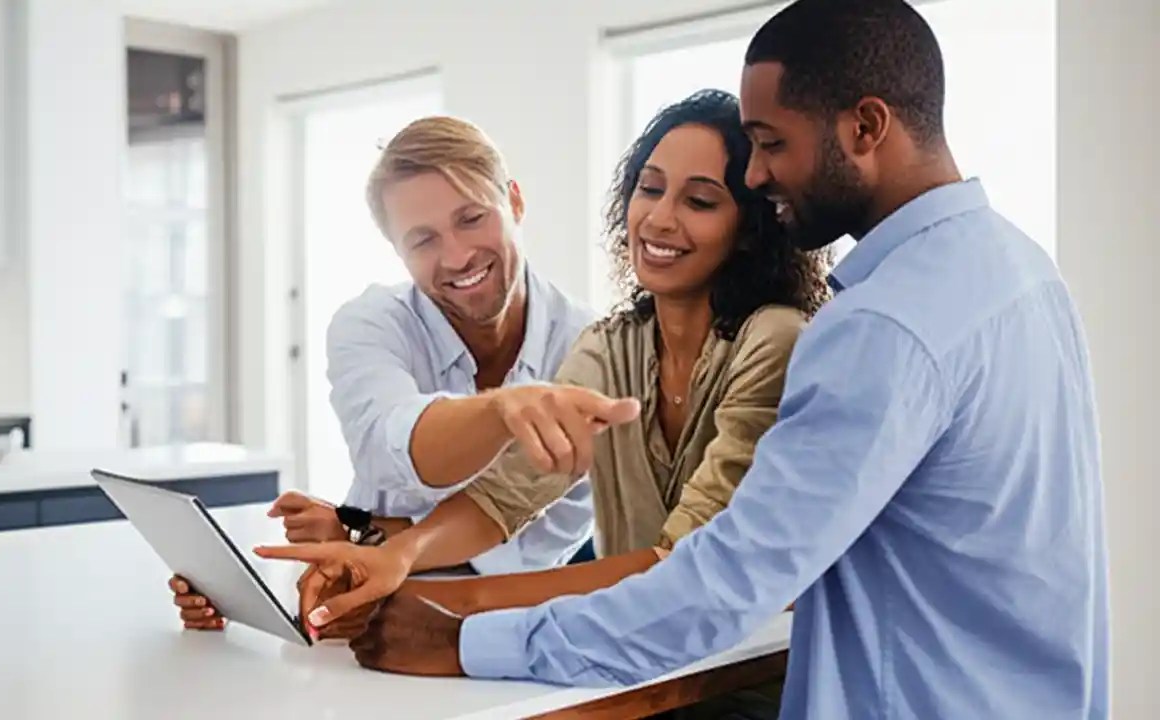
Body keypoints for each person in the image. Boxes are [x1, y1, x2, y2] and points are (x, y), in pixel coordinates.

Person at [258, 1, 1110, 718]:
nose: (763, 176)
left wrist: (457, 633)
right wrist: (402, 558)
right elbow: (517, 490)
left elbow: (720, 580)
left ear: (866, 126)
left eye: (769, 146)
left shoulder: (879, 328)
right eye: (654, 187)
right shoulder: (1020, 269)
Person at [167, 115, 644, 630]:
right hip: (361, 599)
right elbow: (391, 447)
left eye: (471, 218)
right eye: (423, 240)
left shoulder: (594, 346)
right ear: (397, 251)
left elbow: (535, 539)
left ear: (516, 202)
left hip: (503, 618)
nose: (457, 256)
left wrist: (364, 537)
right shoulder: (371, 323)